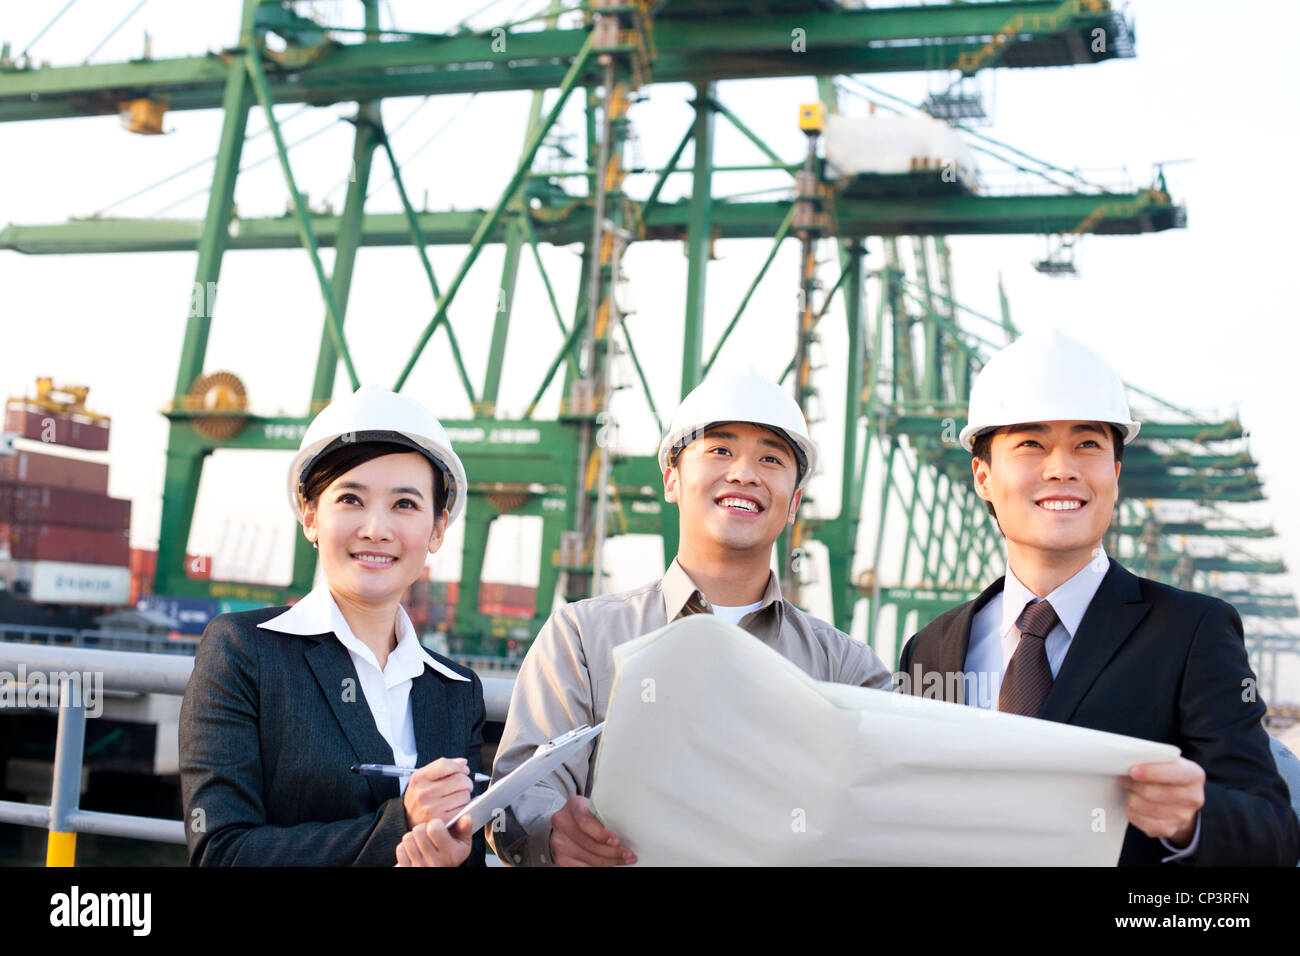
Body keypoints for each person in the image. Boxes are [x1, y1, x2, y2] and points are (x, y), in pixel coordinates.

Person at [898, 328, 1300, 866]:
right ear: (983, 476)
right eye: (1031, 444)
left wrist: (1192, 821)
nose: (1062, 467)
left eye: (1087, 445)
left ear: (1114, 472)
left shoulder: (1192, 633)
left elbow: (1273, 829)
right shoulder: (930, 649)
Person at [487, 365, 894, 866]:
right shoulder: (581, 639)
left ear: (794, 505)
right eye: (720, 450)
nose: (744, 473)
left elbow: (886, 816)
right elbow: (518, 795)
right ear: (671, 479)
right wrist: (552, 831)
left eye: (771, 458)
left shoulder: (849, 670)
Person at [179, 383, 485, 866]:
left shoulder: (456, 690)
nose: (376, 529)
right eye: (350, 499)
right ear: (309, 515)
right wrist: (399, 825)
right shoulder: (244, 652)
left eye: (405, 504)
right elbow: (220, 852)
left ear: (438, 528)